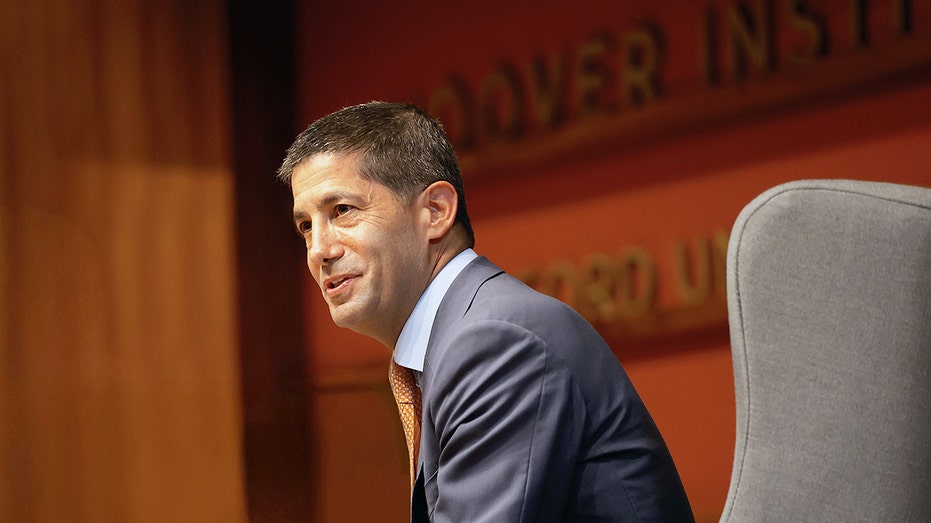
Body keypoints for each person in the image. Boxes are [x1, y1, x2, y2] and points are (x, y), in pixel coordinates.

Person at [277, 101, 694, 522]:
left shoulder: (494, 342)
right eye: (306, 226)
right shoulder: (462, 335)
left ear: (435, 212)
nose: (319, 251)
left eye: (342, 211)